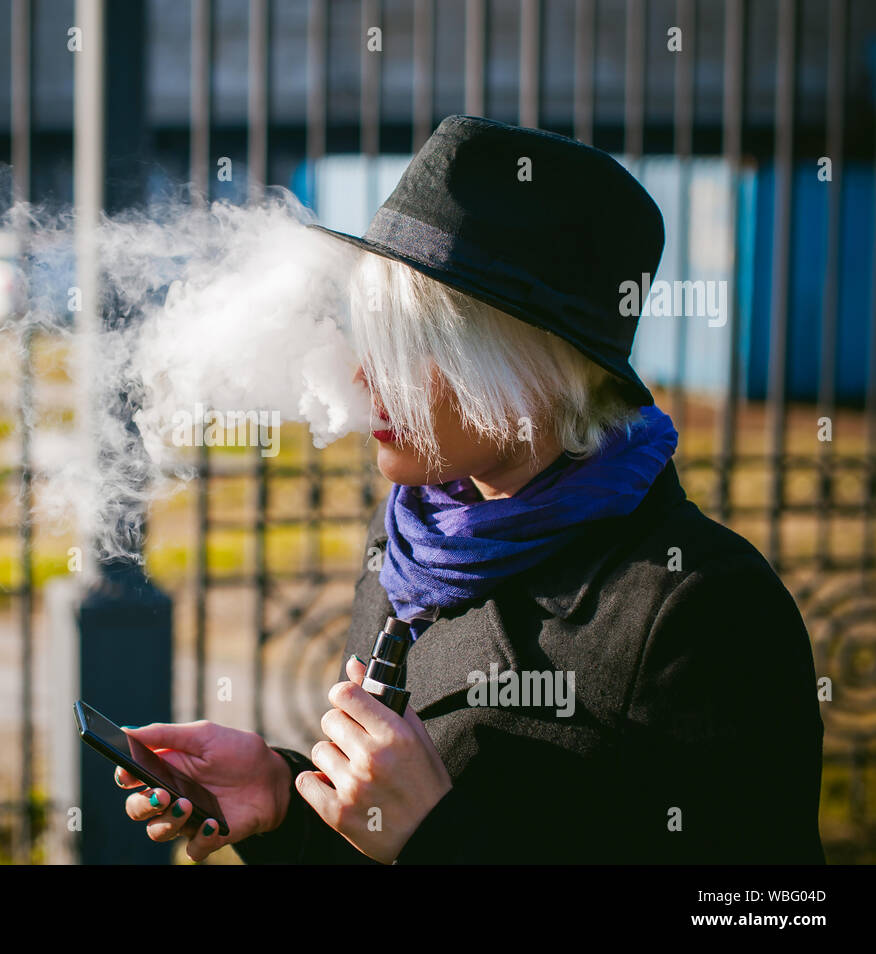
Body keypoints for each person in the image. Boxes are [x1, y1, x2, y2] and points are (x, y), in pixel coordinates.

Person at [113, 115, 825, 864]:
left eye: (407, 348)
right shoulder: (415, 543)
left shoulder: (701, 606)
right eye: (371, 340)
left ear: (526, 369)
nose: (363, 379)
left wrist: (439, 840)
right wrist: (287, 798)